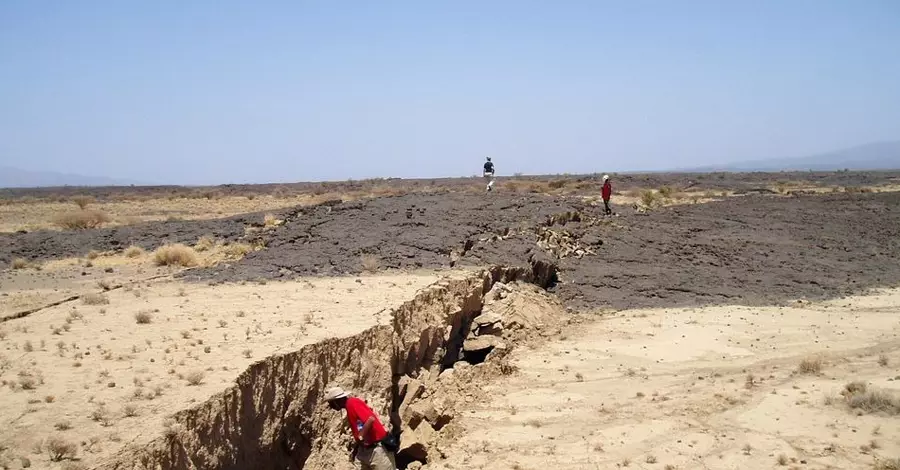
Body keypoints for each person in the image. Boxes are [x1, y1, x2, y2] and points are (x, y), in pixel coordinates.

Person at [324, 386, 396, 470]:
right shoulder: (349, 406)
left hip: (377, 449)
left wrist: (361, 435)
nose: (330, 406)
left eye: (331, 403)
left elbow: (370, 419)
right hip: (364, 450)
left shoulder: (353, 403)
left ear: (337, 401)